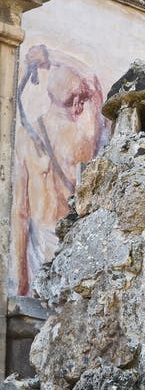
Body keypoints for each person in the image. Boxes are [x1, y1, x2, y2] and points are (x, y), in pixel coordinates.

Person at [11, 44, 106, 296]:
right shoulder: (83, 141)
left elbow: (20, 211)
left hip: (51, 244)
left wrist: (20, 277)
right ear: (76, 101)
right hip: (58, 245)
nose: (83, 106)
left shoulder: (28, 136)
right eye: (81, 99)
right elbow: (94, 83)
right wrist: (51, 56)